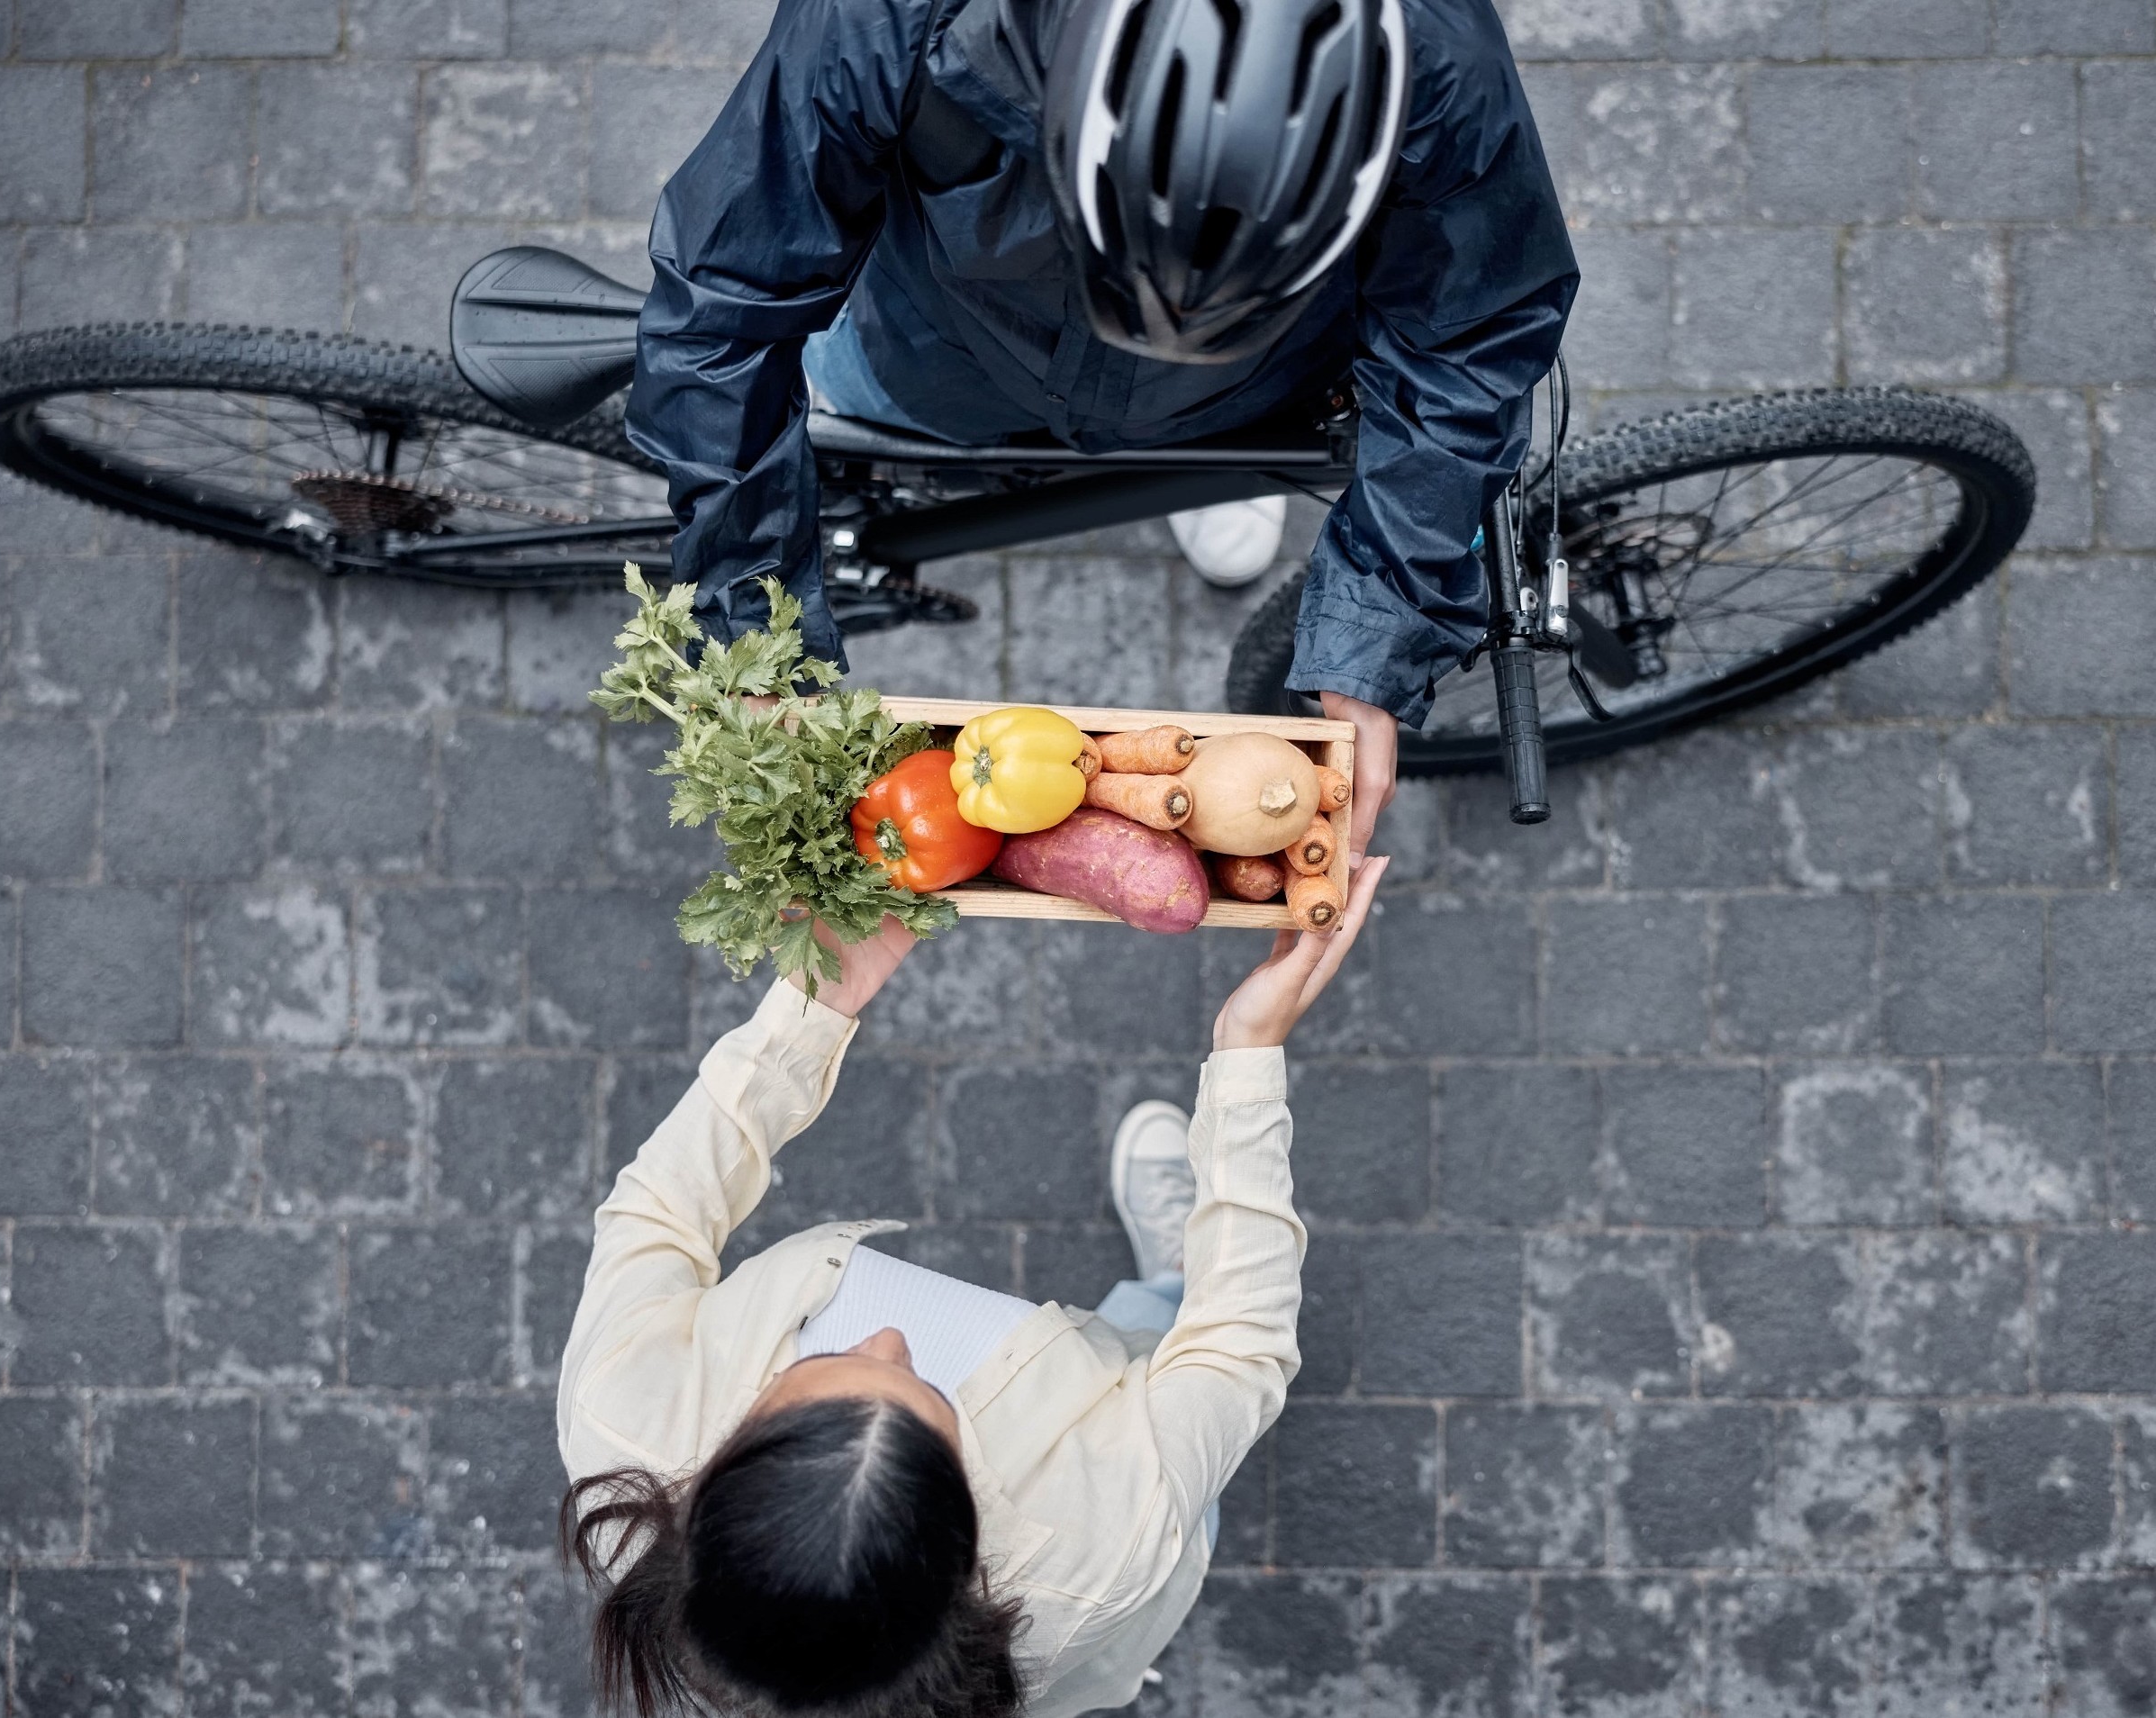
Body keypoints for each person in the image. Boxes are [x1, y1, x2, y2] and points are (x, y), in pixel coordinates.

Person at [624, 0, 1579, 868]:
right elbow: (725, 304)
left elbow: (1474, 330)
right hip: (936, 352)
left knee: (1228, 433)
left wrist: (1379, 631)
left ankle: (1208, 463)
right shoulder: (888, 16)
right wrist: (755, 634)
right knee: (831, 396)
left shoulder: (1436, 57)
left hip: (1242, 392)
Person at [557, 857, 1389, 1717]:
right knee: (1165, 1343)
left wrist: (814, 1005)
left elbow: (656, 1218)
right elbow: (1235, 1350)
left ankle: (1166, 1284)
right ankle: (1170, 1282)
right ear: (967, 1540)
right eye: (925, 1395)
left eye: (807, 1374)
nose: (890, 1341)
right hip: (1110, 1487)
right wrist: (1247, 1058)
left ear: (707, 1491)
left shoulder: (619, 1418)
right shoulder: (1102, 1550)